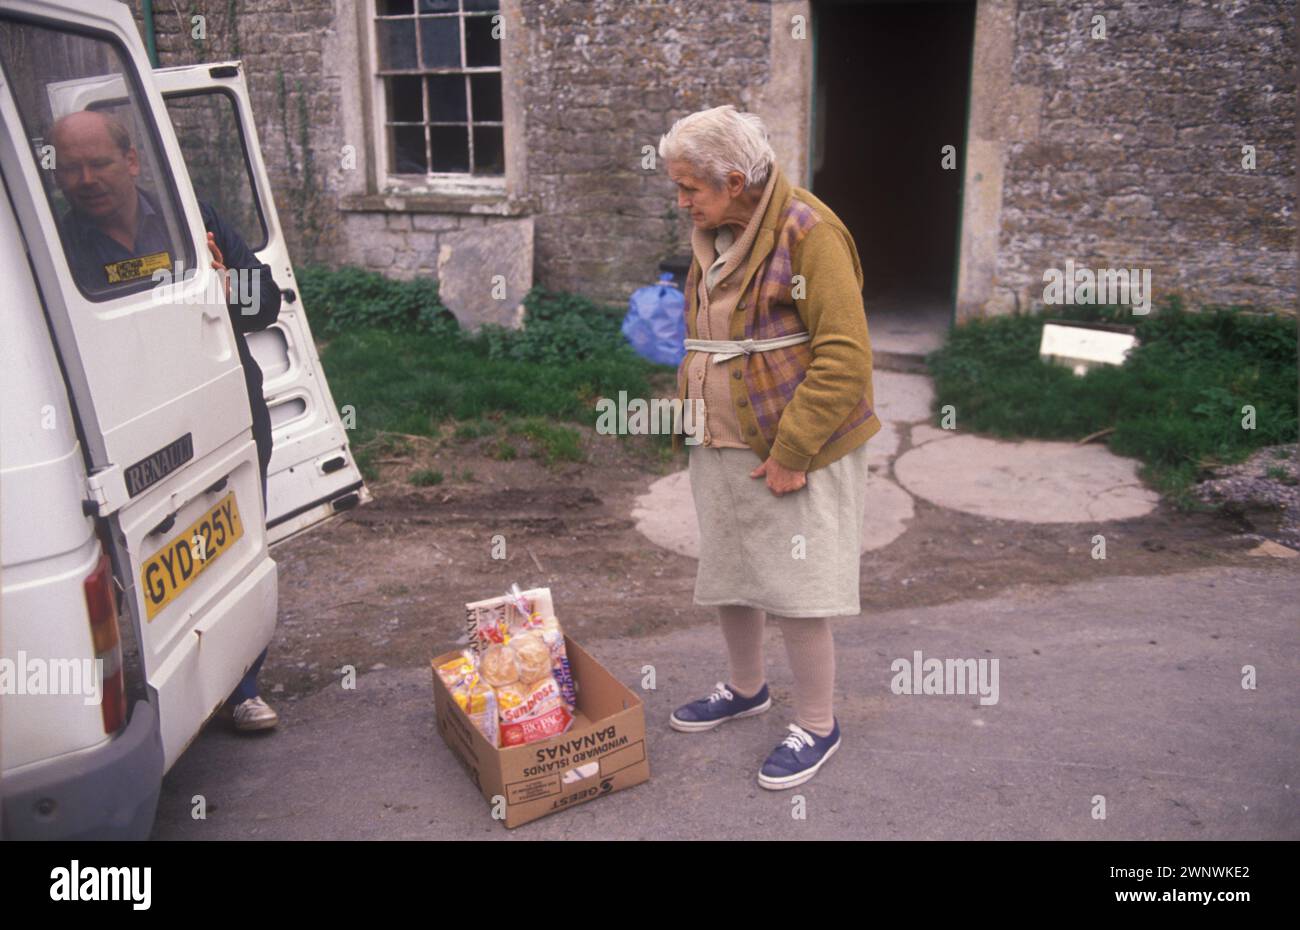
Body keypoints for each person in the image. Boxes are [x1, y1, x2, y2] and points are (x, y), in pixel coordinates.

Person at [660, 105, 882, 789]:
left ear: (734, 179)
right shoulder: (722, 225)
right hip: (723, 437)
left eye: (690, 187)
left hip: (793, 445)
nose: (681, 200)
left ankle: (818, 723)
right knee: (732, 571)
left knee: (797, 589)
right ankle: (746, 688)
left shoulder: (809, 231)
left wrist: (793, 452)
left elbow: (846, 357)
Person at [50, 109, 282, 732]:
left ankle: (244, 687)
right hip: (135, 429)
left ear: (130, 160)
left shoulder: (193, 218)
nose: (85, 178)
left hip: (222, 409)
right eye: (70, 167)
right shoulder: (60, 247)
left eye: (98, 162)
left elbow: (264, 308)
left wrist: (226, 282)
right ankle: (171, 691)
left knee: (234, 543)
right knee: (159, 559)